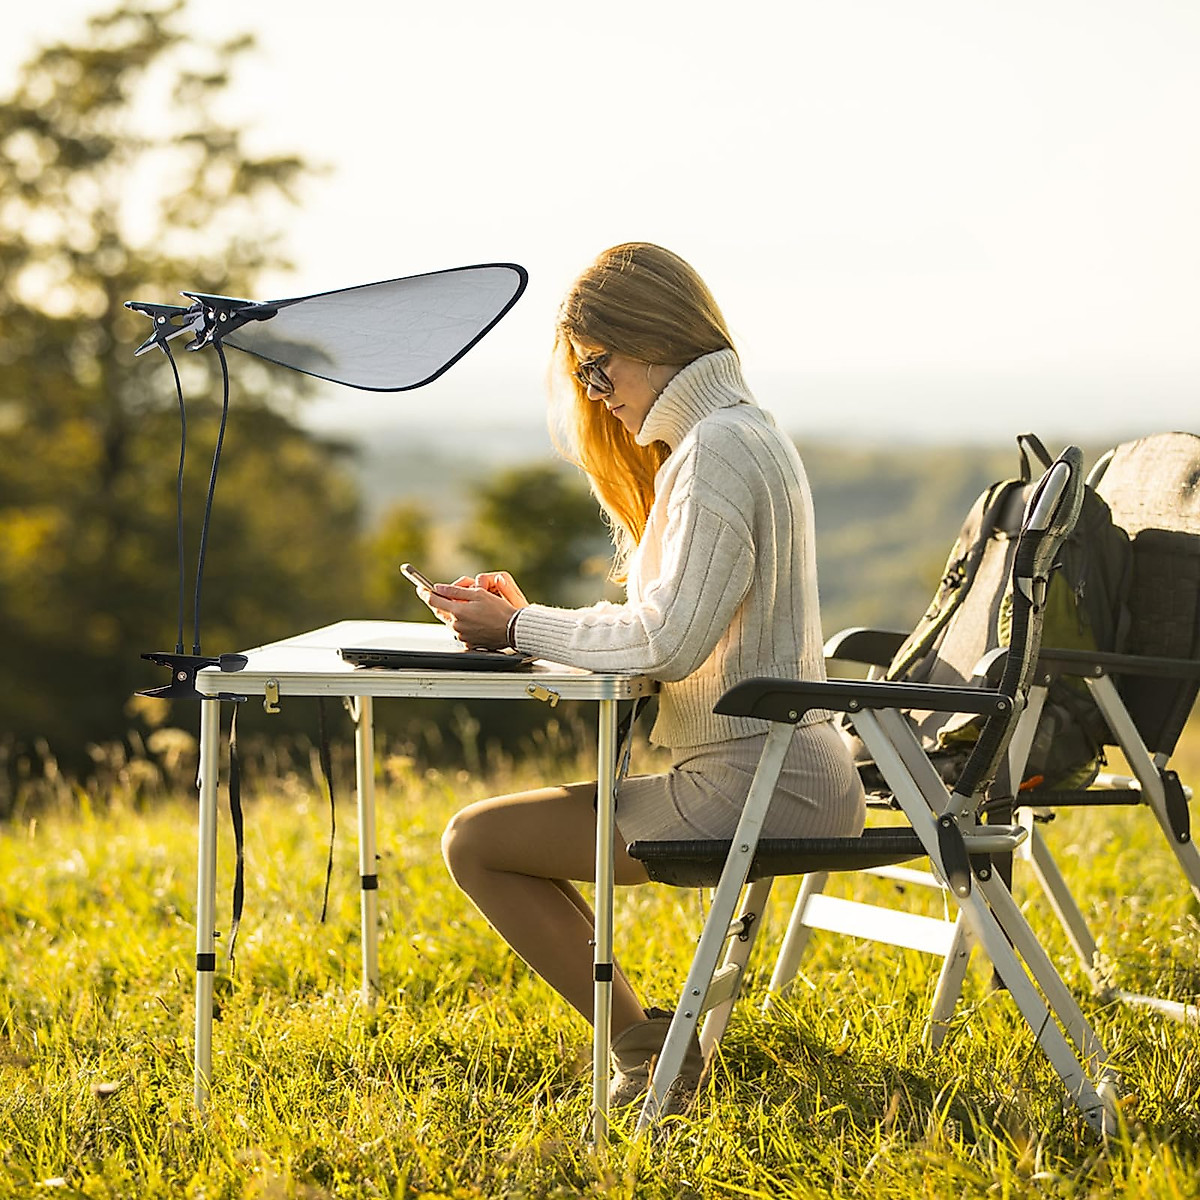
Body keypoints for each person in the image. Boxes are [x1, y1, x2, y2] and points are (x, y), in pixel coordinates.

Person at [421, 242, 866, 1110]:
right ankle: (653, 1048)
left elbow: (666, 642)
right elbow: (676, 632)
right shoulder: (735, 435)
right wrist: (532, 626)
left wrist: (517, 624)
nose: (597, 392)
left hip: (763, 785)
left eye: (598, 367)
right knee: (487, 836)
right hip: (771, 771)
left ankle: (649, 1055)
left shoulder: (720, 450)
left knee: (475, 842)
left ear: (651, 336)